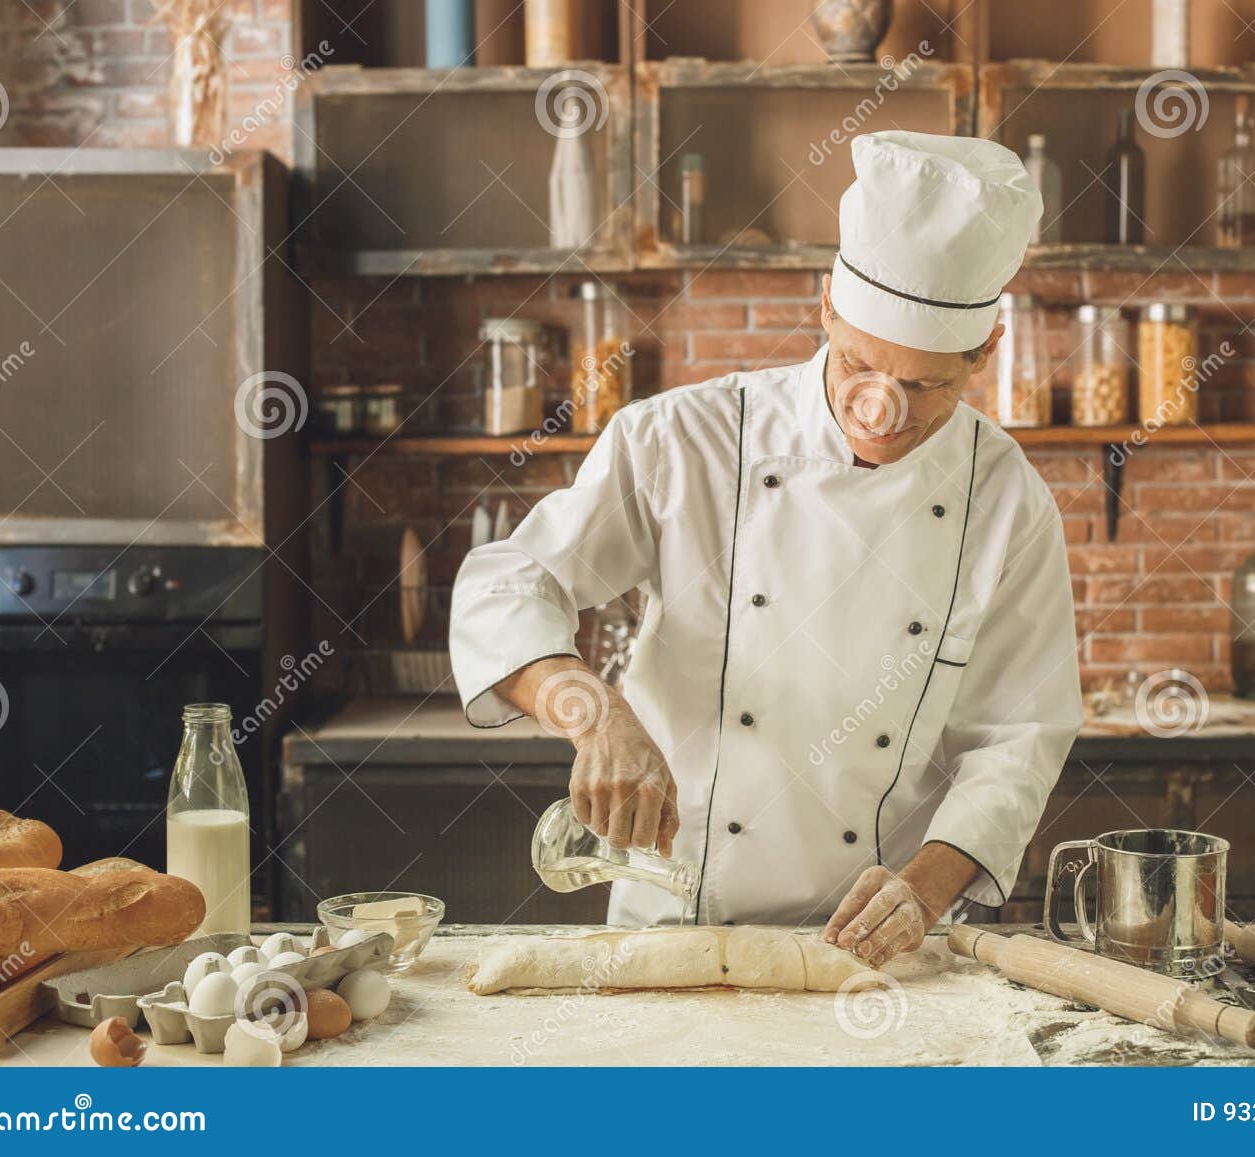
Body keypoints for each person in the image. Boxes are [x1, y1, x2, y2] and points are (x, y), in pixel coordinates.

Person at [450, 131, 1082, 967]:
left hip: (878, 942)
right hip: (672, 919)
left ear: (986, 350)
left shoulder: (1006, 496)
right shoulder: (685, 438)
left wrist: (925, 889)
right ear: (826, 304)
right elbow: (508, 580)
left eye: (926, 384)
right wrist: (588, 706)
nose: (879, 409)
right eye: (859, 363)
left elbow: (1019, 736)